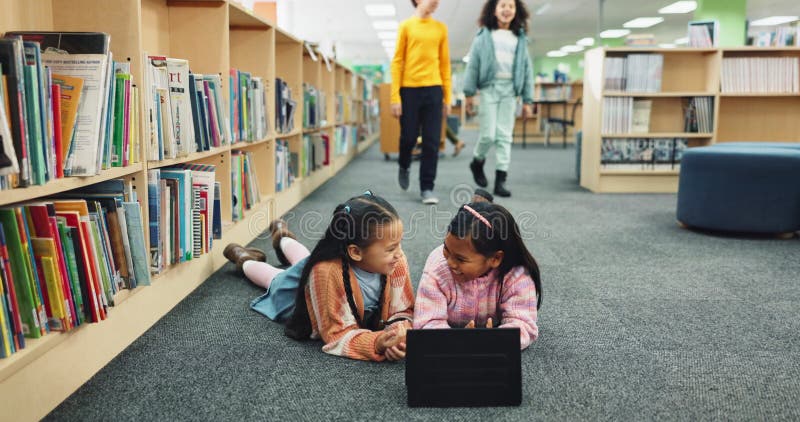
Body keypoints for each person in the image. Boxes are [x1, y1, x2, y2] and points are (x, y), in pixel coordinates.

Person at [223, 192, 415, 361]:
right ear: (356, 252)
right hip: (306, 294)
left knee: (306, 260)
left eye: (399, 244)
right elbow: (337, 334)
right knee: (275, 279)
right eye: (391, 248)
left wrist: (398, 334)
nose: (399, 253)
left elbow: (404, 310)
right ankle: (244, 259)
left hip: (321, 271)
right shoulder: (326, 273)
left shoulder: (395, 262)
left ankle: (282, 236)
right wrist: (377, 343)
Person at [413, 201, 542, 350]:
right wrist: (459, 341)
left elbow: (523, 325)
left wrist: (493, 341)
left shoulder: (515, 274)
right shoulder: (437, 269)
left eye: (461, 259)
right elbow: (425, 325)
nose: (450, 263)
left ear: (495, 259)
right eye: (446, 249)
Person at [463, 0, 535, 198]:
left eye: (511, 6)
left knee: (504, 136)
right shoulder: (484, 36)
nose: (506, 9)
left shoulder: (520, 38)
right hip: (489, 88)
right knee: (488, 135)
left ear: (516, 11)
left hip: (510, 91)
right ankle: (477, 162)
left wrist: (528, 100)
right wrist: (469, 93)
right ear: (494, 10)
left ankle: (500, 180)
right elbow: (473, 65)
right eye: (502, 5)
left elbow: (527, 70)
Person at [391, 0, 452, 204]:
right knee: (408, 137)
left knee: (431, 142)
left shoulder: (440, 28)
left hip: (434, 89)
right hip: (409, 90)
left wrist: (448, 97)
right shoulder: (406, 26)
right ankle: (404, 164)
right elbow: (397, 62)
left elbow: (445, 65)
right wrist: (395, 97)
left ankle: (427, 187)